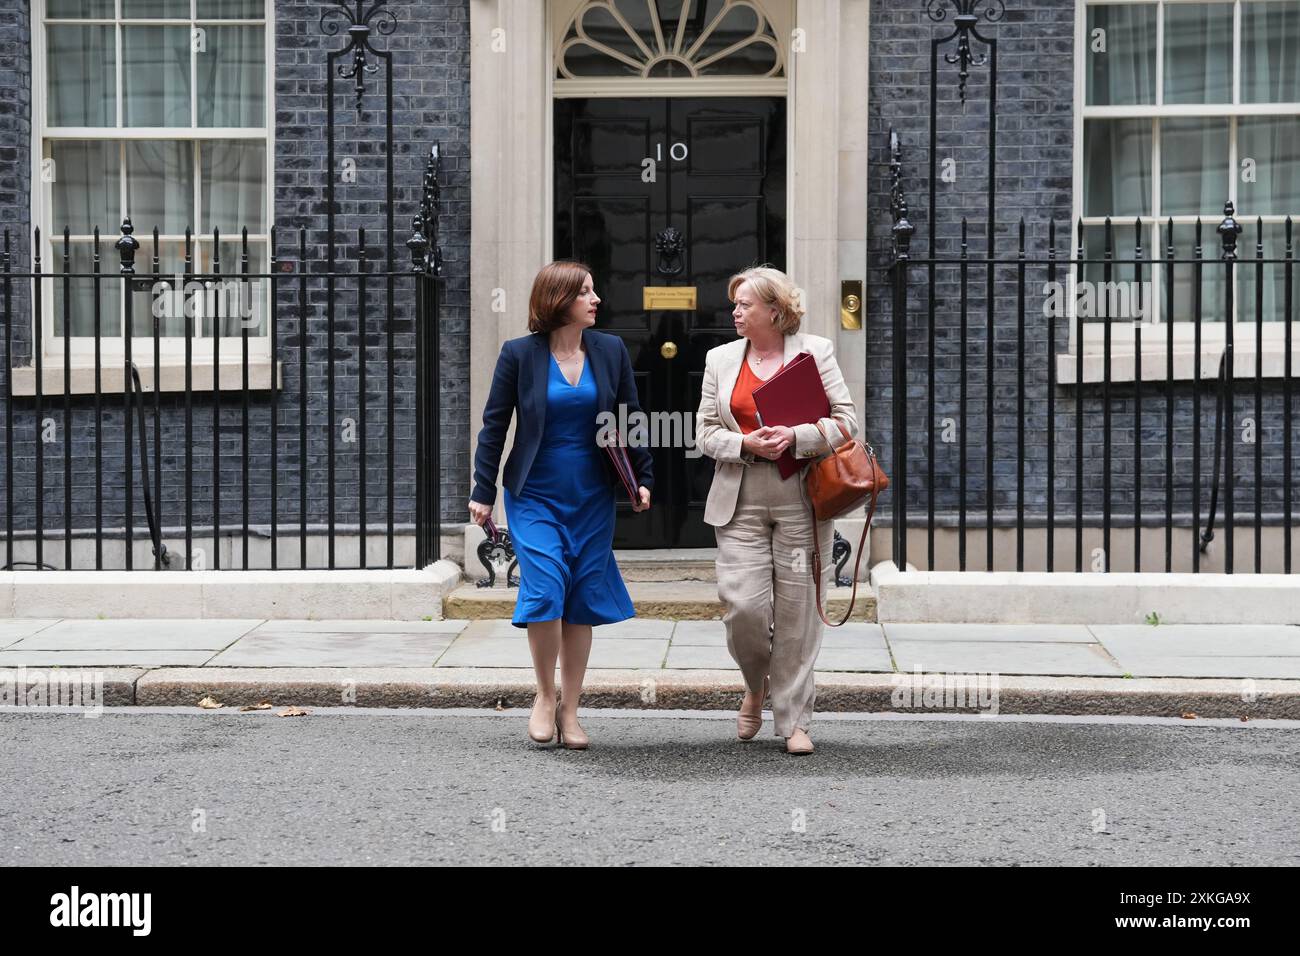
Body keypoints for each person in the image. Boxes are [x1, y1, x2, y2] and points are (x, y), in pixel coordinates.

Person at [468, 261, 653, 750]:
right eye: (586, 292)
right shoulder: (519, 356)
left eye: (594, 291)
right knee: (547, 585)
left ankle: (572, 709)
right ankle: (545, 696)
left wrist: (643, 478)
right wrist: (482, 490)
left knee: (582, 596)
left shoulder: (609, 350)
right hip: (534, 492)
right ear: (559, 300)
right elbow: (494, 427)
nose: (597, 300)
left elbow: (631, 417)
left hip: (592, 492)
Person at [695, 266, 858, 755]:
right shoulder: (720, 359)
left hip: (802, 498)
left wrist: (796, 436)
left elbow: (846, 422)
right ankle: (755, 685)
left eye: (744, 304)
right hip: (740, 499)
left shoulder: (816, 351)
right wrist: (745, 442)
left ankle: (793, 720)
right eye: (735, 304)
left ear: (774, 309)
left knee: (797, 615)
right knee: (743, 608)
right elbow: (703, 433)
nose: (735, 312)